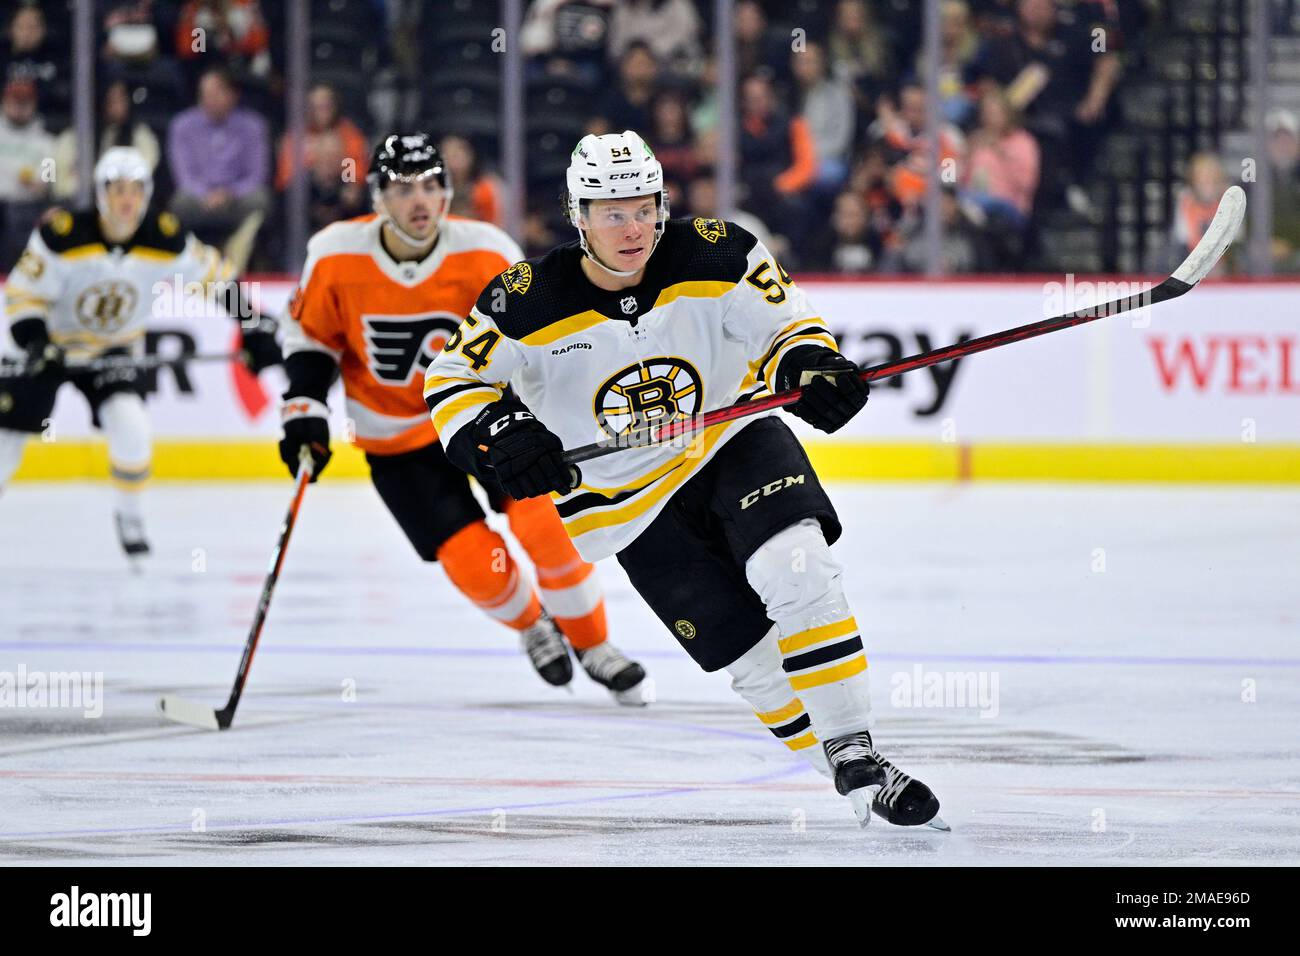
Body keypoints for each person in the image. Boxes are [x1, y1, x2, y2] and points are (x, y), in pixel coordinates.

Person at [425, 130, 947, 829]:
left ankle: (854, 742)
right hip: (623, 505)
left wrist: (808, 367)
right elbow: (452, 379)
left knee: (798, 569)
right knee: (752, 661)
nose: (631, 226)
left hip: (730, 442)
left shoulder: (716, 250)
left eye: (643, 206)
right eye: (611, 212)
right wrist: (498, 434)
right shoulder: (524, 300)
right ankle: (855, 776)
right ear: (578, 215)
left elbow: (787, 329)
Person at [278, 133, 647, 703]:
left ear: (449, 192)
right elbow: (311, 335)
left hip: (485, 419)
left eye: (431, 185)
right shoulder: (334, 253)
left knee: (546, 531)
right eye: (402, 189)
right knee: (475, 561)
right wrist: (303, 406)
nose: (419, 201)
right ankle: (533, 627)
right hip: (395, 439)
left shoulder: (486, 251)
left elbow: (535, 338)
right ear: (377, 197)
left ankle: (595, 644)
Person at [0, 147, 281, 559]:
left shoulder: (165, 237)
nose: (126, 199)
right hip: (50, 349)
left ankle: (129, 517)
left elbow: (216, 280)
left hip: (113, 351)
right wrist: (37, 344)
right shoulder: (61, 235)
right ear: (99, 193)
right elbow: (24, 295)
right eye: (116, 189)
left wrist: (252, 324)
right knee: (7, 444)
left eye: (136, 189)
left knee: (132, 429)